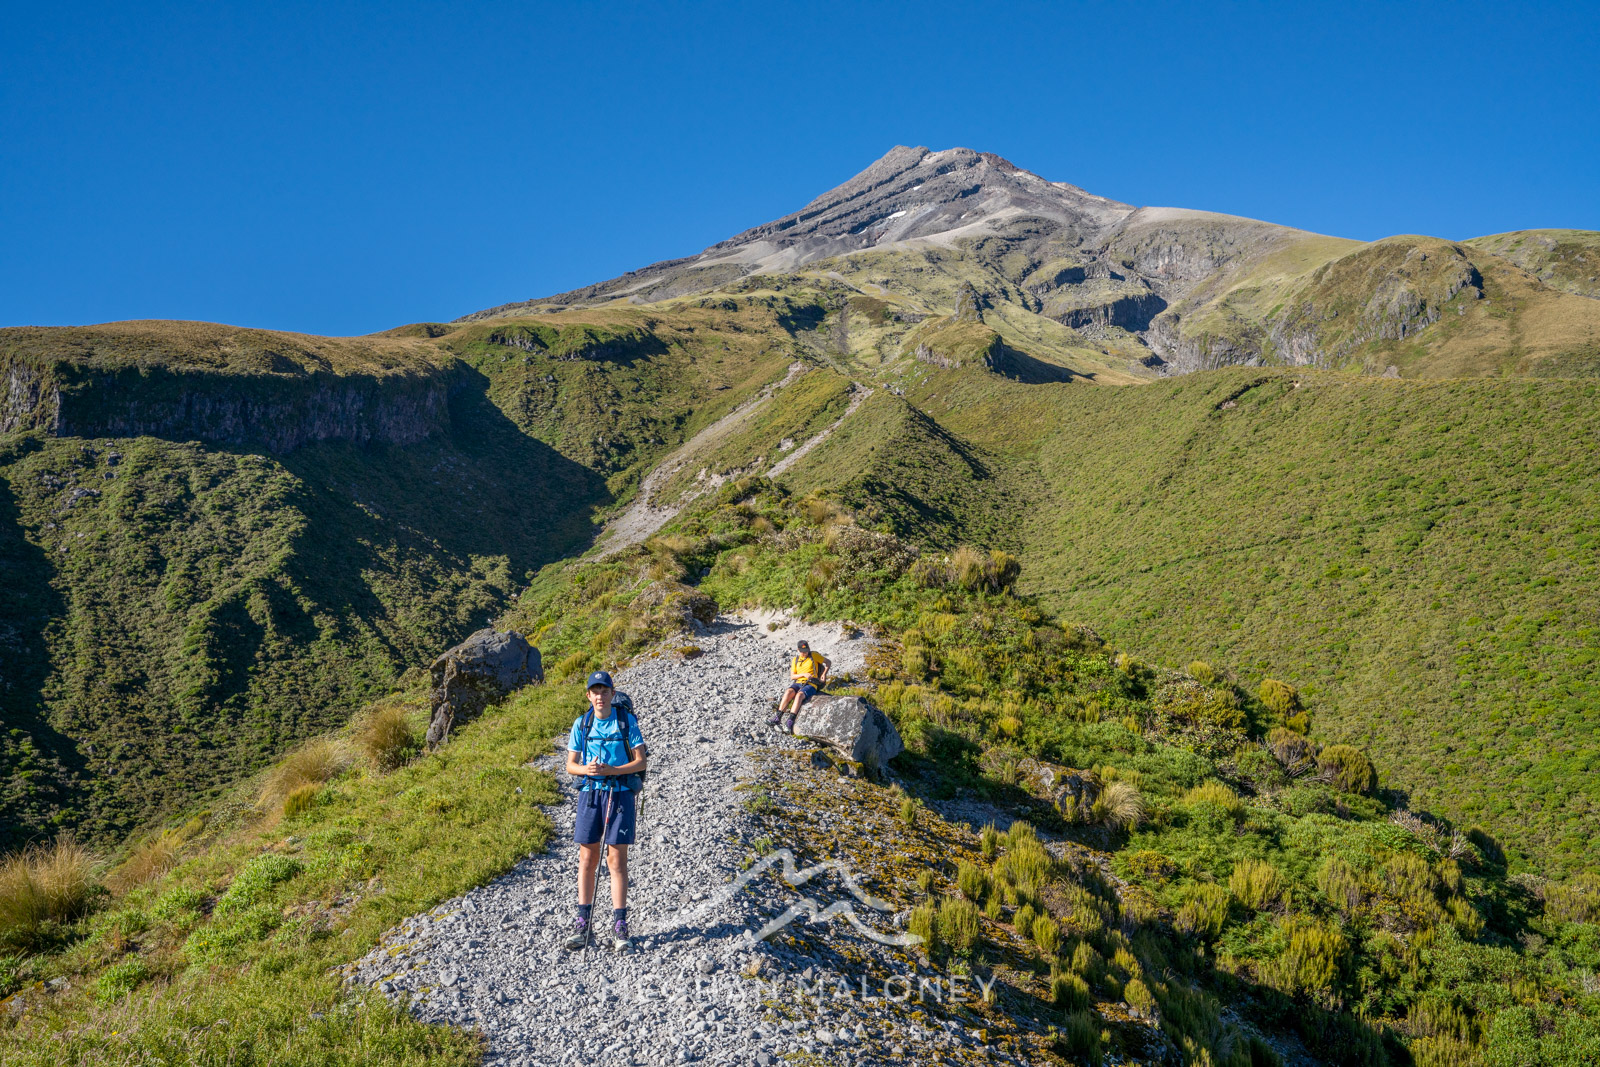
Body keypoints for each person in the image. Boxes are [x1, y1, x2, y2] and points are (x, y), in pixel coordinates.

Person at [564, 670, 648, 952]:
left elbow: (640, 761)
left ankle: (619, 925)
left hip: (620, 792)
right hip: (590, 793)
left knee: (616, 859)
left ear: (612, 694)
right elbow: (570, 765)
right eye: (595, 691)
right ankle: (582, 922)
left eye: (604, 691)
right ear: (588, 696)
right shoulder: (582, 723)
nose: (600, 696)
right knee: (587, 857)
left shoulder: (626, 721)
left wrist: (612, 771)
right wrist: (586, 770)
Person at [768, 639, 830, 733]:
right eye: (802, 652)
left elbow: (828, 662)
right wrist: (803, 674)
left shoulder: (814, 655)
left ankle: (790, 721)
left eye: (806, 651)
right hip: (798, 682)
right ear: (798, 650)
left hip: (811, 683)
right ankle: (778, 717)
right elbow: (793, 676)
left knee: (799, 695)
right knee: (788, 692)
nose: (805, 653)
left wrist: (823, 674)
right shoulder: (795, 660)